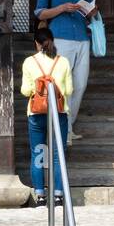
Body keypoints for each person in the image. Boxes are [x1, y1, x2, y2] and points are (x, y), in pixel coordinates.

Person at [34, 0, 97, 141]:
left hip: (82, 38)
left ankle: (68, 126)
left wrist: (92, 11)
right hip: (59, 37)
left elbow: (91, 15)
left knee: (79, 84)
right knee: (62, 84)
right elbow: (40, 12)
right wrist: (61, 8)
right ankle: (63, 131)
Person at [20, 26, 74, 207]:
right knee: (59, 155)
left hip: (36, 114)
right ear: (52, 41)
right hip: (58, 113)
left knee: (37, 152)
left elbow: (25, 90)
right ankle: (58, 195)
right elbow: (68, 90)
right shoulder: (63, 62)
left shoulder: (29, 62)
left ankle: (40, 195)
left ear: (36, 43)